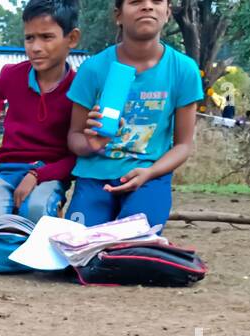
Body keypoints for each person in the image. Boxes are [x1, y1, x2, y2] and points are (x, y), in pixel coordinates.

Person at [64, 0, 201, 229]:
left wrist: (150, 173)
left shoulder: (184, 70)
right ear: (118, 15)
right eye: (135, 1)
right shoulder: (93, 69)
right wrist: (91, 144)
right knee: (79, 248)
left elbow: (183, 145)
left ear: (167, 12)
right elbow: (74, 138)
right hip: (95, 176)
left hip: (150, 177)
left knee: (133, 246)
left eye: (156, 1)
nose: (147, 6)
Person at [0, 0, 81, 223]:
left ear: (71, 38)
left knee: (37, 211)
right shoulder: (12, 75)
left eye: (46, 37)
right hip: (8, 168)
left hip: (51, 171)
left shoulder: (80, 89)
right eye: (29, 38)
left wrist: (38, 174)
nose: (35, 47)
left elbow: (78, 154)